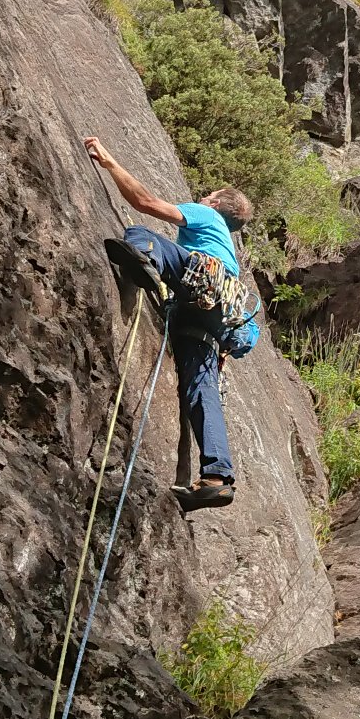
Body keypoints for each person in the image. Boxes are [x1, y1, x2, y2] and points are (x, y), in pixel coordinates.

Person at [84, 135, 259, 511]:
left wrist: (109, 161)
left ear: (214, 203)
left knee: (143, 235)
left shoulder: (206, 216)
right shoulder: (229, 251)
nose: (203, 198)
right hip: (212, 323)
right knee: (202, 393)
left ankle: (146, 263)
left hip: (200, 283)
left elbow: (145, 203)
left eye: (207, 195)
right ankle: (216, 479)